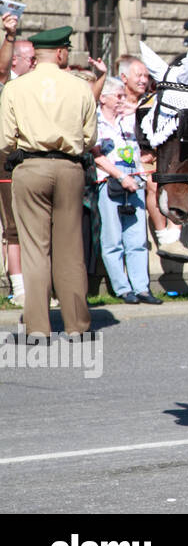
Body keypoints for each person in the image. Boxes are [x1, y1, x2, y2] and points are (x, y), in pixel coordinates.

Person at [0, 26, 96, 338]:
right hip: (69, 167)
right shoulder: (80, 86)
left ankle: (38, 327)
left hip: (30, 167)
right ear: (59, 52)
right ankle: (77, 325)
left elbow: (4, 140)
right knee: (70, 250)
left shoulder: (16, 88)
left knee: (34, 250)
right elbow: (90, 137)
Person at [91, 78, 160, 304]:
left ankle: (142, 288)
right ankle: (122, 288)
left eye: (123, 96)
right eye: (118, 96)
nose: (122, 100)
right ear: (103, 98)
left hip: (135, 183)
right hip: (110, 184)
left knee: (137, 239)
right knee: (113, 240)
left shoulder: (128, 121)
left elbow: (154, 128)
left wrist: (136, 109)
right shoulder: (96, 122)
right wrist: (121, 177)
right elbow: (97, 156)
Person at [117, 55, 188, 263]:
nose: (143, 80)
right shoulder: (117, 98)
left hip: (161, 154)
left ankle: (173, 236)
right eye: (138, 75)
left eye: (146, 76)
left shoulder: (155, 99)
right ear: (124, 77)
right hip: (136, 158)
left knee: (175, 179)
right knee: (152, 183)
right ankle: (164, 235)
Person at [0, 18, 33, 304]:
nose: (35, 64)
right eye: (31, 59)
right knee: (13, 227)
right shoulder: (8, 84)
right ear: (16, 61)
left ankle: (39, 287)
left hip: (34, 163)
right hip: (8, 162)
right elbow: (1, 70)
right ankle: (20, 289)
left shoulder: (38, 87)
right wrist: (10, 36)